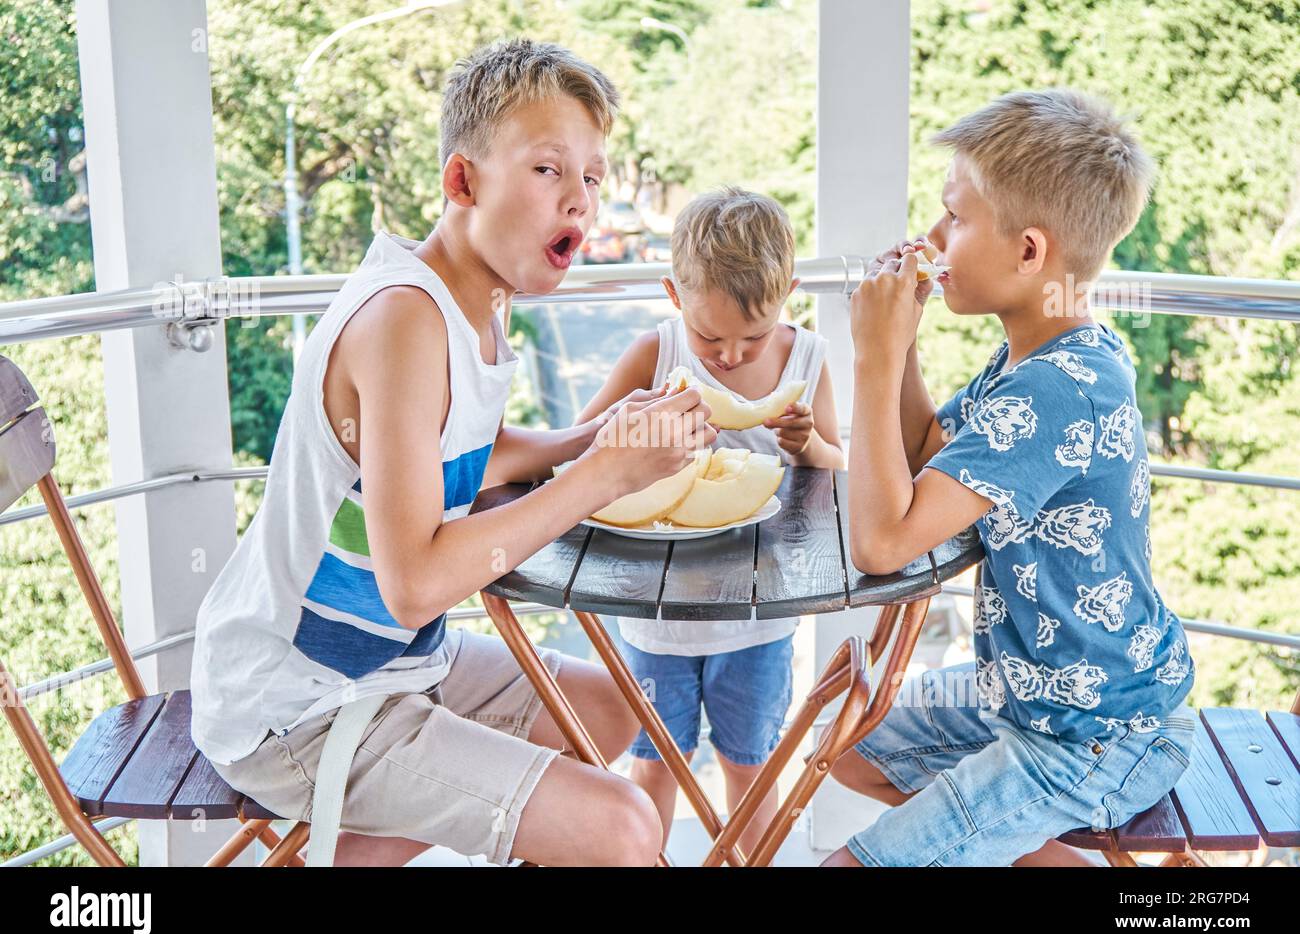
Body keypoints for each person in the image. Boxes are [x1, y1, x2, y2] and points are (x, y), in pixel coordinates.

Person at [191, 39, 717, 867]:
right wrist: (601, 475)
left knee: (615, 710)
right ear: (462, 181)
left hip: (396, 667)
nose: (579, 201)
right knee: (620, 828)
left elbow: (460, 448)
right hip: (299, 704)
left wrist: (591, 436)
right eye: (549, 170)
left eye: (592, 177)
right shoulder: (407, 322)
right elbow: (416, 586)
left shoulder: (475, 302)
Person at [827, 89, 1196, 867]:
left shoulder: (1062, 389)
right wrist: (908, 345)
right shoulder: (1037, 355)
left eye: (953, 218)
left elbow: (883, 541)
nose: (930, 237)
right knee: (852, 747)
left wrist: (872, 355)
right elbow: (930, 451)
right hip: (1025, 697)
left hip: (1093, 735)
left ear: (1030, 253)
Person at [576, 187, 844, 853]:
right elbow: (583, 443)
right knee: (653, 764)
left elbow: (838, 462)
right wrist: (645, 427)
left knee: (750, 769)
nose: (727, 357)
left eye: (753, 336)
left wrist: (805, 443)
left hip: (760, 621)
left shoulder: (807, 361)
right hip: (651, 618)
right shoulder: (655, 352)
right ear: (674, 294)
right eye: (709, 337)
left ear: (790, 293)